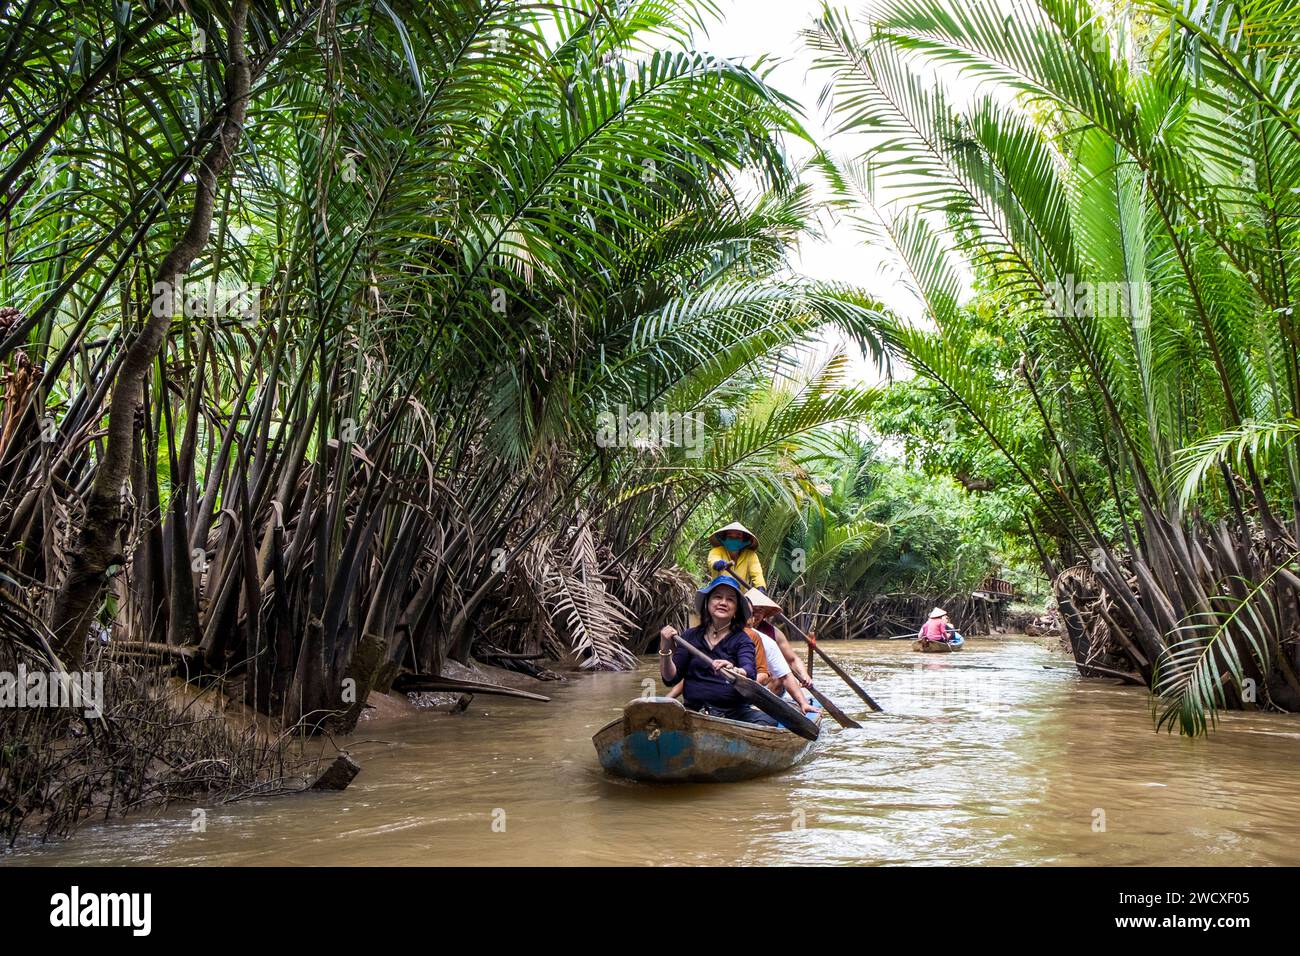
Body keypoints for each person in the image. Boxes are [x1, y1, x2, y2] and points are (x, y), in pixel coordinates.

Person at [658, 575, 779, 726]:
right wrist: (665, 649)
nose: (723, 602)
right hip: (694, 711)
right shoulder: (690, 636)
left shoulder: (742, 640)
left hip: (733, 713)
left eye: (730, 599)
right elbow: (671, 678)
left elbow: (749, 671)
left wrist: (735, 670)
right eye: (717, 597)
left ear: (736, 609)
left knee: (769, 722)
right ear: (707, 603)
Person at [746, 588, 812, 688]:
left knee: (778, 677)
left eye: (759, 610)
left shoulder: (775, 634)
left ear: (765, 613)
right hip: (744, 673)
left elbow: (792, 659)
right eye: (752, 610)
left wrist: (804, 675)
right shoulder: (732, 628)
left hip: (768, 682)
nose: (755, 614)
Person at [706, 522, 766, 590]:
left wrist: (761, 587)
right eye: (730, 536)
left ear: (744, 539)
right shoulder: (717, 551)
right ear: (724, 538)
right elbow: (713, 560)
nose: (733, 539)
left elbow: (757, 574)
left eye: (738, 536)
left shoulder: (751, 555)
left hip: (740, 596)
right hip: (718, 592)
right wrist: (717, 564)